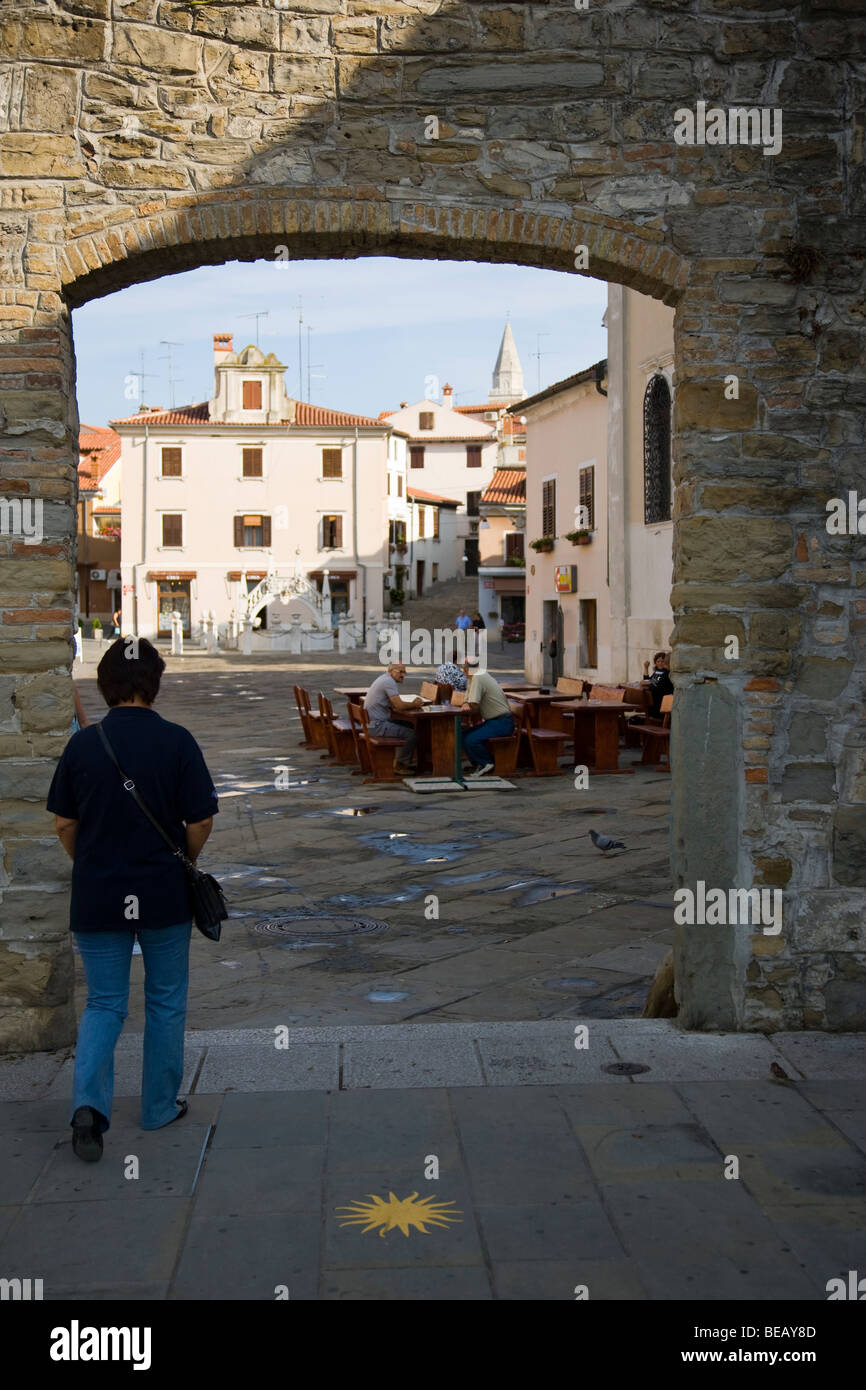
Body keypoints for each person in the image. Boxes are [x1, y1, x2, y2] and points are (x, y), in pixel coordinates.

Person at [46, 638, 218, 1162]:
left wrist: (90, 864)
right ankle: (158, 1107)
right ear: (154, 683)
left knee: (104, 1002)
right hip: (163, 892)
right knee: (165, 1001)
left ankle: (89, 1110)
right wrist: (183, 859)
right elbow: (201, 819)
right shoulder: (178, 741)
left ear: (106, 685)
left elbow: (63, 822)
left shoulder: (83, 746)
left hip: (99, 894)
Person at [363, 661, 424, 772]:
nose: (403, 675)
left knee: (409, 724)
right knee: (411, 734)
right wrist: (415, 704)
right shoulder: (388, 682)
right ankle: (400, 766)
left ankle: (401, 761)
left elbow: (395, 703)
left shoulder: (384, 678)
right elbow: (399, 705)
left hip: (371, 723)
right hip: (377, 726)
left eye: (404, 672)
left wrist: (406, 704)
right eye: (400, 672)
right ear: (391, 671)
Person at [461, 657, 514, 778]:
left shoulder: (478, 677)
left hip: (502, 723)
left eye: (463, 668)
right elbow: (467, 700)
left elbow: (473, 703)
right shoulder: (475, 676)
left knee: (471, 739)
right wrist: (465, 703)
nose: (463, 671)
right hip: (495, 721)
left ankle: (487, 762)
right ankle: (478, 763)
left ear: (467, 669)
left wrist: (466, 704)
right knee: (463, 735)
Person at [642, 651, 674, 718]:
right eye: (658, 661)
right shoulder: (657, 672)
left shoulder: (666, 673)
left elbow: (654, 686)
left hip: (660, 707)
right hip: (654, 705)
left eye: (662, 661)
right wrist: (645, 668)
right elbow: (647, 681)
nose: (660, 663)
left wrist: (648, 682)